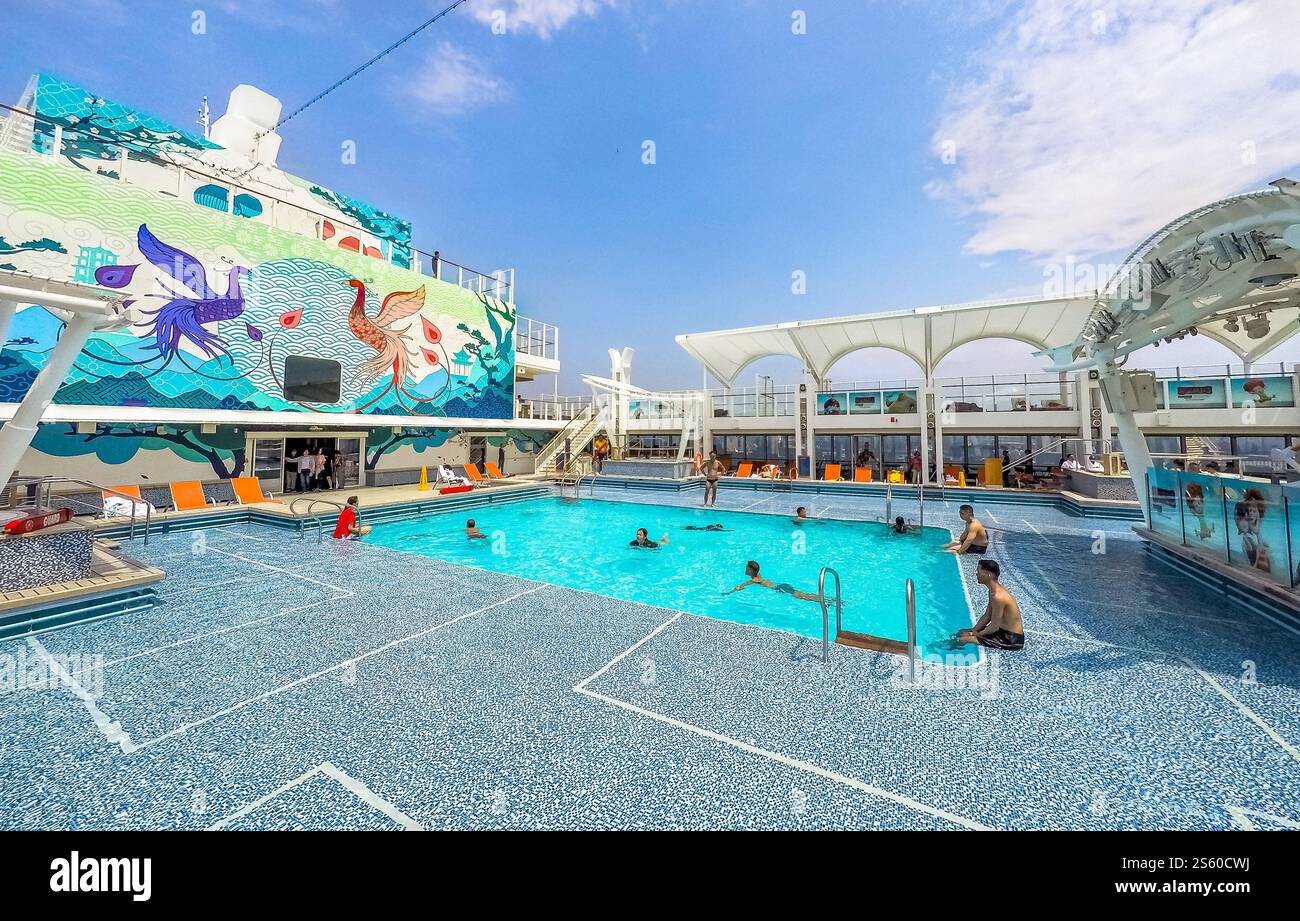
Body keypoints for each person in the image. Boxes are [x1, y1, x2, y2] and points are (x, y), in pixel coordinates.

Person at [953, 559, 1024, 650]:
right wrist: (973, 630)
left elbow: (994, 626)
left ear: (988, 574)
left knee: (963, 639)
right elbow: (987, 616)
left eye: (978, 571)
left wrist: (976, 634)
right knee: (962, 632)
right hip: (1001, 631)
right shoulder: (993, 591)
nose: (976, 574)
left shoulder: (998, 596)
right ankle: (950, 644)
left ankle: (944, 649)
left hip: (1011, 639)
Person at [724, 561, 819, 602]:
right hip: (781, 586)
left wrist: (729, 592)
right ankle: (824, 599)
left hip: (780, 588)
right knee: (804, 594)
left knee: (804, 597)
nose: (745, 570)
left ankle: (822, 600)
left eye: (746, 568)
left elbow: (740, 587)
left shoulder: (754, 580)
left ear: (751, 571)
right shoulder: (758, 575)